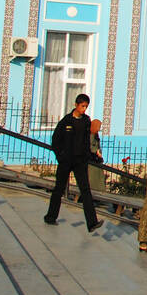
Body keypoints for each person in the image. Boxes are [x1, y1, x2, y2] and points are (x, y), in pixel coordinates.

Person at [44, 94, 102, 232]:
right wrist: (61, 156)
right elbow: (56, 141)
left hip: (80, 161)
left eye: (86, 107)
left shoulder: (86, 121)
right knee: (59, 188)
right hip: (66, 161)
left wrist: (91, 155)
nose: (84, 109)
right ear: (76, 105)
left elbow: (88, 140)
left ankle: (92, 223)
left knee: (85, 190)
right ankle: (51, 216)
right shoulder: (66, 121)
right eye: (82, 106)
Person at [87, 119, 106, 196]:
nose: (98, 129)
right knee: (92, 178)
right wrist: (96, 152)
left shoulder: (95, 135)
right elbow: (90, 146)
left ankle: (98, 193)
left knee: (98, 178)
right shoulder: (90, 135)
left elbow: (97, 146)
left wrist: (98, 152)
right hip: (92, 160)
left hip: (96, 160)